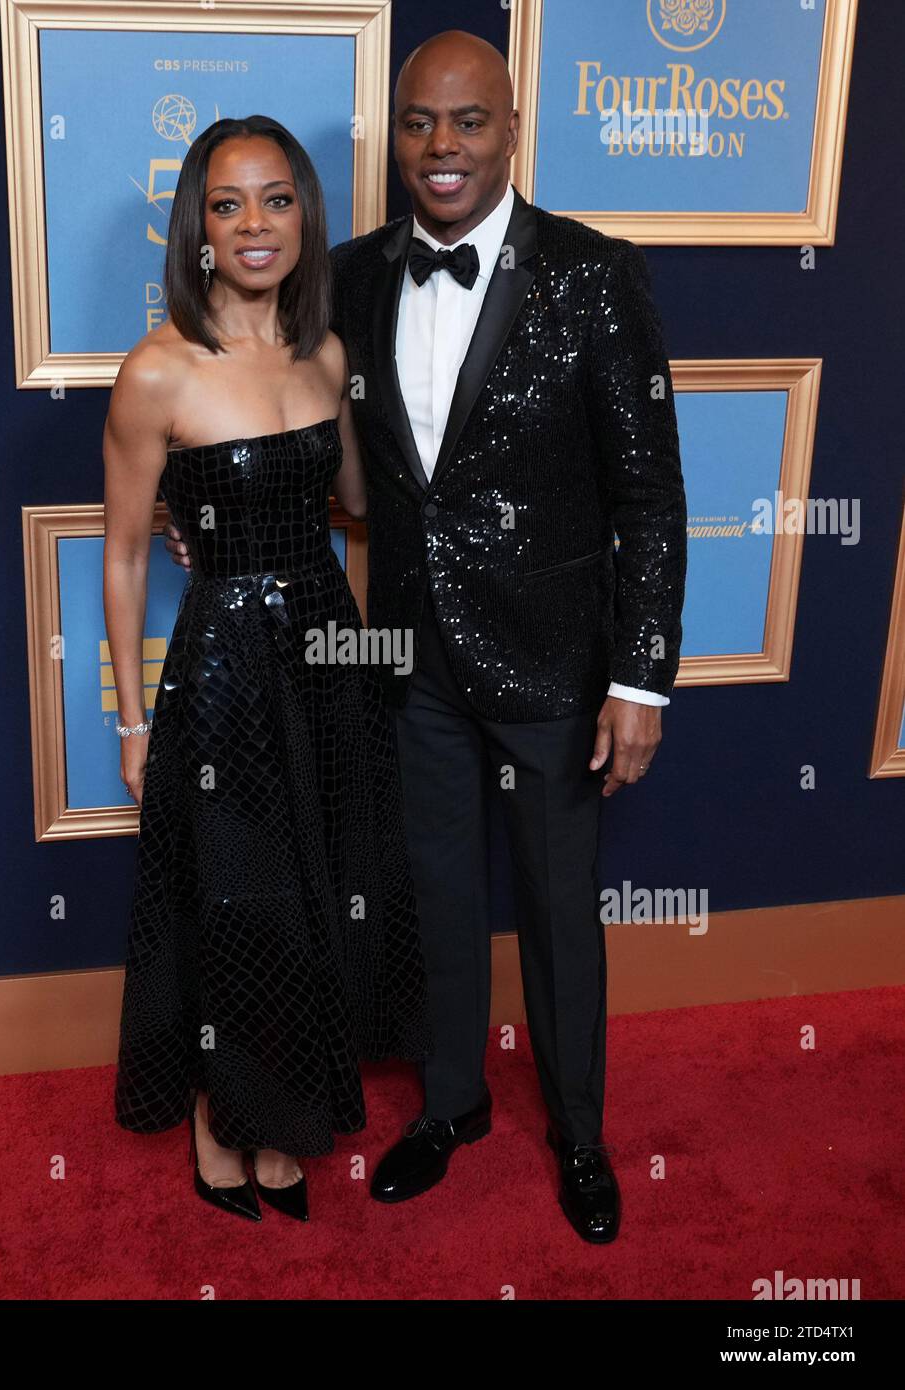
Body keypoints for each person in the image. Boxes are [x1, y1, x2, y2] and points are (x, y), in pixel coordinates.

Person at [166, 32, 687, 1244]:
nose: (439, 148)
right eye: (416, 124)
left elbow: (649, 496)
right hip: (400, 660)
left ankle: (578, 1131)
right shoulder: (343, 276)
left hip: (557, 660)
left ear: (511, 130)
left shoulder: (596, 277)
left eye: (466, 122)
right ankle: (450, 1104)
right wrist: (187, 510)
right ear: (392, 136)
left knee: (559, 910)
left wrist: (639, 679)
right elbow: (256, 417)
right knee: (435, 896)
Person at [103, 114, 431, 1224]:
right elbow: (123, 550)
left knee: (318, 889)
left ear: (304, 217)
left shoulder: (325, 354)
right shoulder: (155, 370)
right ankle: (218, 1112)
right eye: (229, 202)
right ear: (196, 223)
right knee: (237, 899)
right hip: (224, 669)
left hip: (325, 652)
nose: (255, 224)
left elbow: (345, 501)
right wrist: (132, 724)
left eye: (278, 199)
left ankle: (286, 1116)